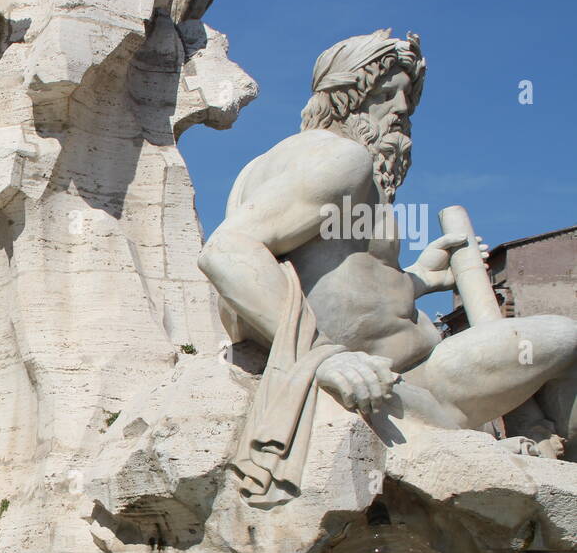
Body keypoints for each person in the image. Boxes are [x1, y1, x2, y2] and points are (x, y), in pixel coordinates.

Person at [198, 30, 577, 505]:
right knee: (565, 338)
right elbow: (227, 251)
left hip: (399, 374)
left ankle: (539, 445)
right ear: (345, 97)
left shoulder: (304, 165)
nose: (400, 109)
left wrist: (418, 279)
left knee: (552, 343)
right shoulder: (340, 158)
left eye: (406, 98)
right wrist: (326, 358)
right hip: (392, 385)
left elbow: (337, 282)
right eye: (383, 95)